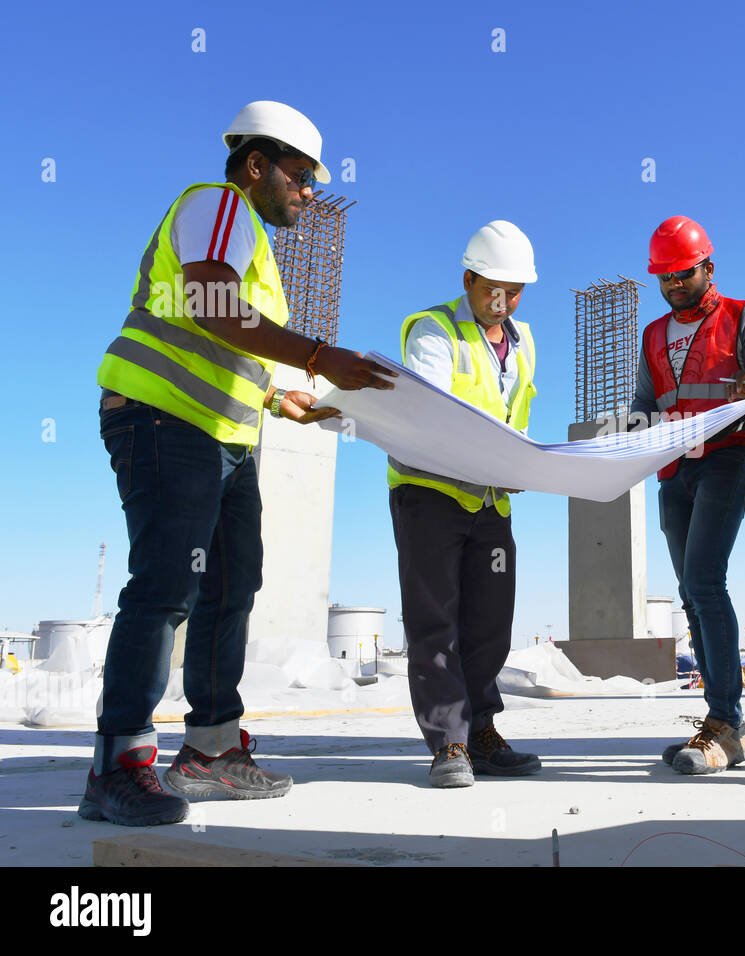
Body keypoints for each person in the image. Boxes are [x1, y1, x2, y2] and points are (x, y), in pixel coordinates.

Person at [83, 101, 397, 827]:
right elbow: (210, 303)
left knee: (230, 585)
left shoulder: (252, 243)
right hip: (162, 418)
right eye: (299, 176)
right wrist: (319, 357)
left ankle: (212, 752)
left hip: (221, 435)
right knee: (166, 583)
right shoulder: (217, 205)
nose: (309, 192)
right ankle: (118, 764)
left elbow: (232, 343)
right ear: (256, 165)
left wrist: (281, 392)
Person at [389, 221, 542, 788]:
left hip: (491, 502)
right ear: (468, 278)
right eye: (492, 288)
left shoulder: (523, 341)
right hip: (429, 495)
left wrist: (523, 463)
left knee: (490, 624)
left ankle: (481, 729)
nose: (503, 301)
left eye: (515, 289)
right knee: (436, 622)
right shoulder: (433, 330)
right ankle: (449, 741)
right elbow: (434, 416)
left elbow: (513, 419)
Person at [630, 216, 745, 774]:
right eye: (663, 278)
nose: (672, 286)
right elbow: (646, 401)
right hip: (674, 473)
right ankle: (723, 725)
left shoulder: (744, 317)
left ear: (707, 268)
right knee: (690, 590)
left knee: (706, 580)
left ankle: (726, 720)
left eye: (682, 275)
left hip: (726, 460)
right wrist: (627, 432)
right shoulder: (654, 334)